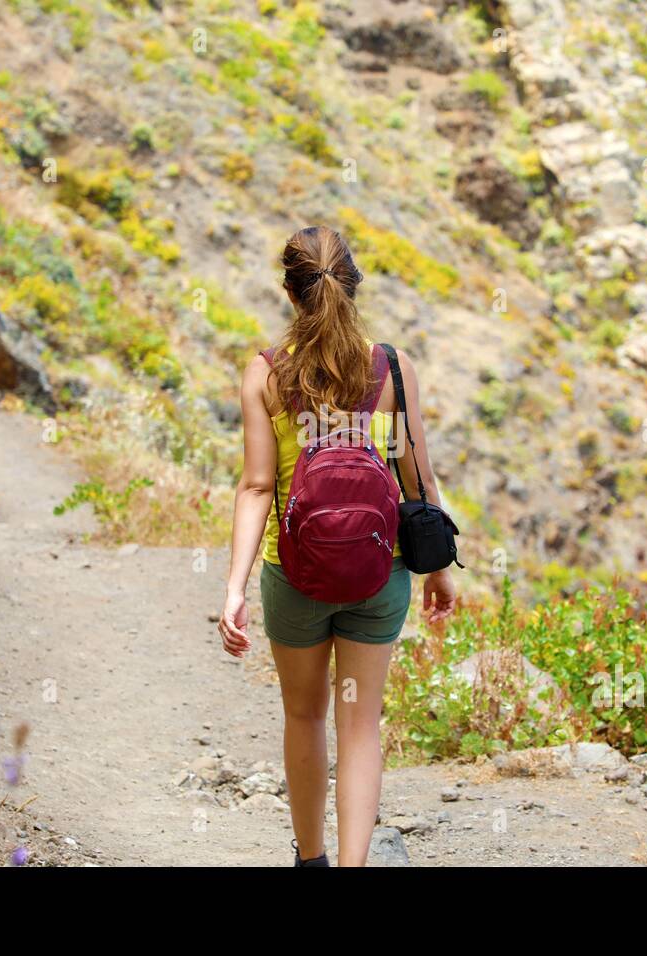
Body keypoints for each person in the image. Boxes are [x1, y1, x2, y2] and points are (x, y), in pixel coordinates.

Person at [217, 224, 457, 867]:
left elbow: (256, 485)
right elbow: (417, 476)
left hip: (293, 576)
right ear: (353, 285)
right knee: (360, 726)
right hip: (380, 573)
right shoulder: (390, 368)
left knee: (304, 717)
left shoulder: (266, 373)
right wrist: (439, 571)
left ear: (290, 293)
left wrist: (236, 587)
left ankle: (311, 859)